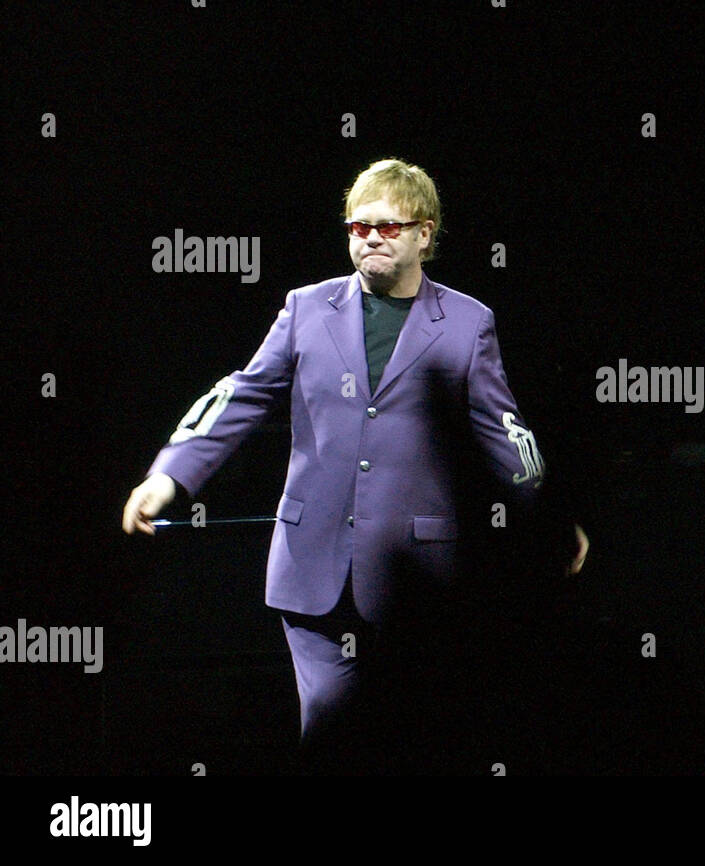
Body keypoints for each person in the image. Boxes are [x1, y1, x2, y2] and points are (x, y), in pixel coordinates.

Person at [123, 158, 588, 772]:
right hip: (313, 566)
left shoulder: (468, 323)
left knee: (419, 738)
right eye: (357, 226)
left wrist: (547, 516)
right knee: (329, 738)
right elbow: (243, 392)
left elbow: (503, 432)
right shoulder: (307, 308)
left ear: (425, 233)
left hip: (417, 577)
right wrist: (169, 474)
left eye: (387, 226)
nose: (369, 237)